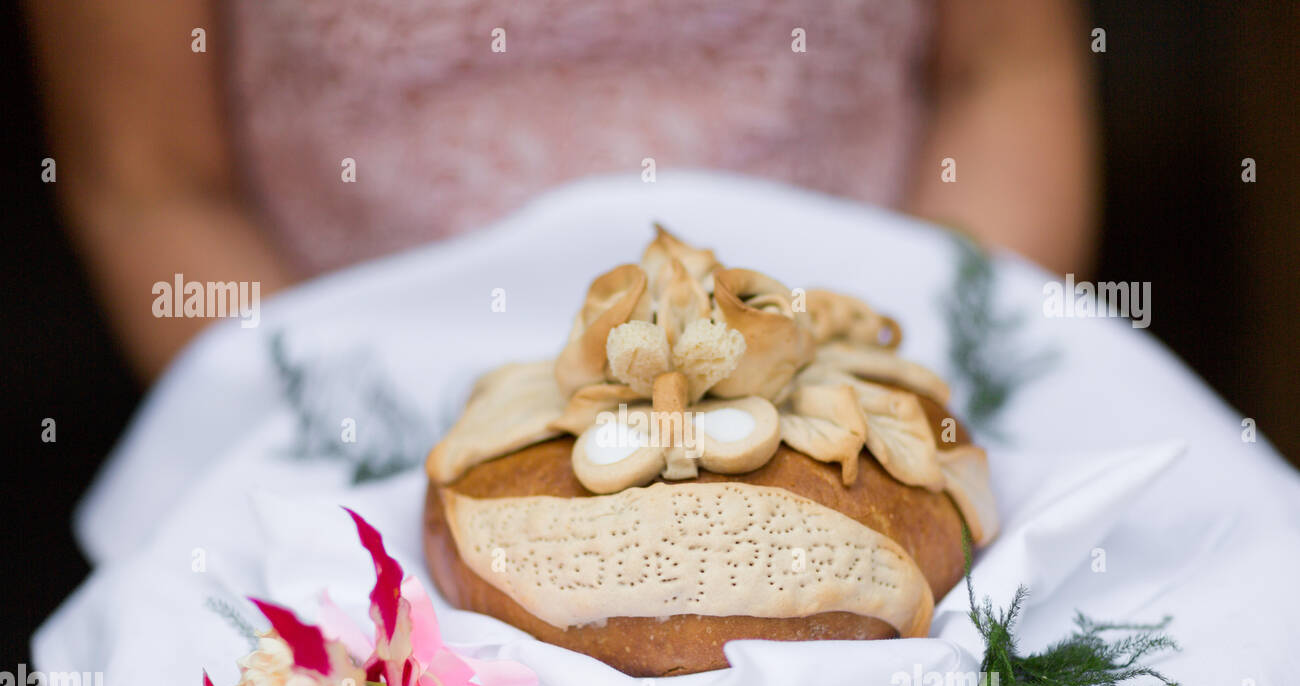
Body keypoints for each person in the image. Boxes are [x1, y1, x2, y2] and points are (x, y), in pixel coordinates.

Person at [25, 0, 1097, 382]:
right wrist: (347, 443)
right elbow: (153, 180)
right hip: (364, 429)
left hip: (876, 374)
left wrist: (908, 385)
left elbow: (1000, 70)